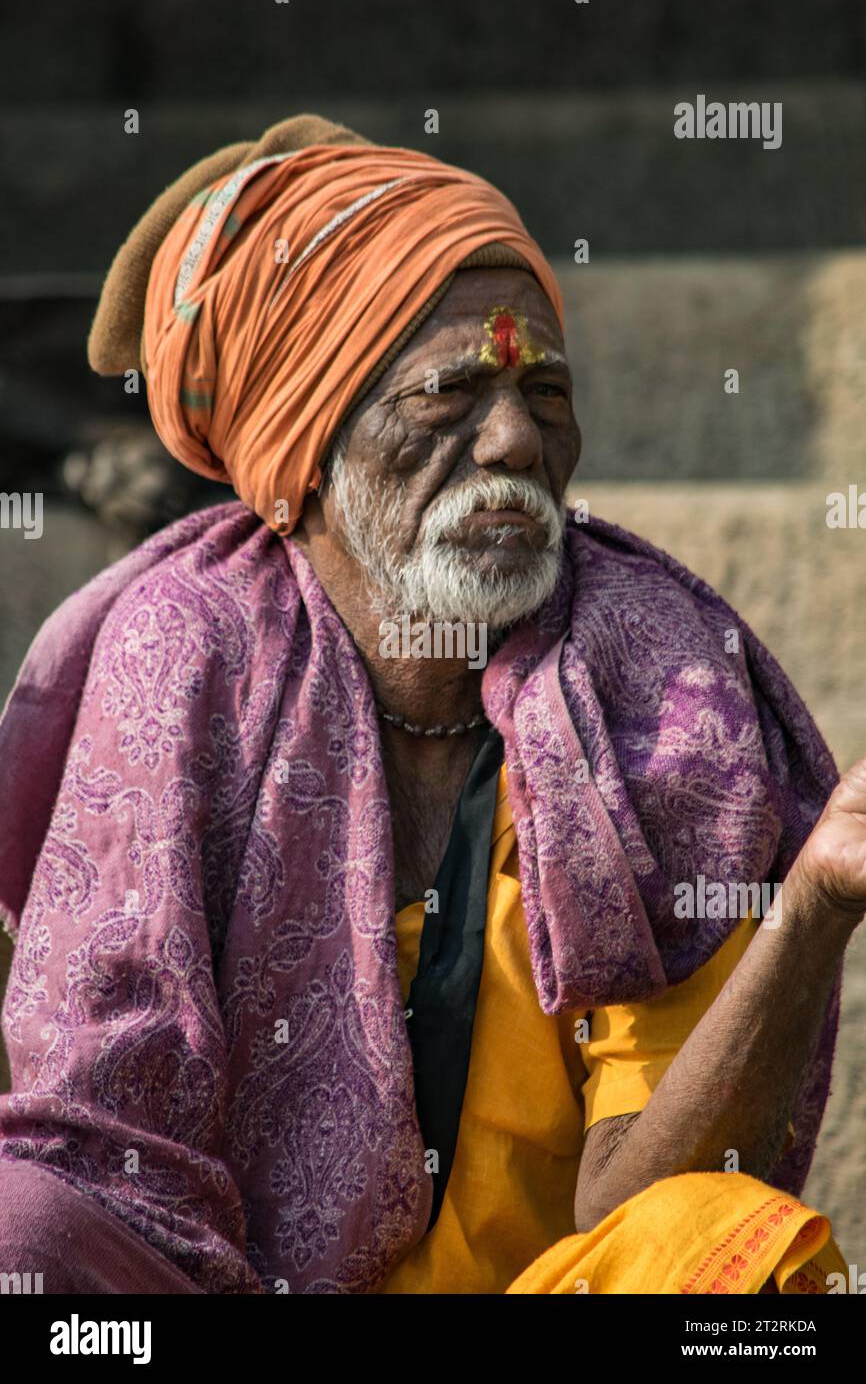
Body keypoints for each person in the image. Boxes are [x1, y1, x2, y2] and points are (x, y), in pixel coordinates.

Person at [0, 113, 860, 1296]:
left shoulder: (663, 683)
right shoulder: (185, 654)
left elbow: (641, 1202)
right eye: (449, 392)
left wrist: (812, 902)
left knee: (731, 1256)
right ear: (306, 443)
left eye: (543, 390)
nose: (512, 439)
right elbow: (100, 1157)